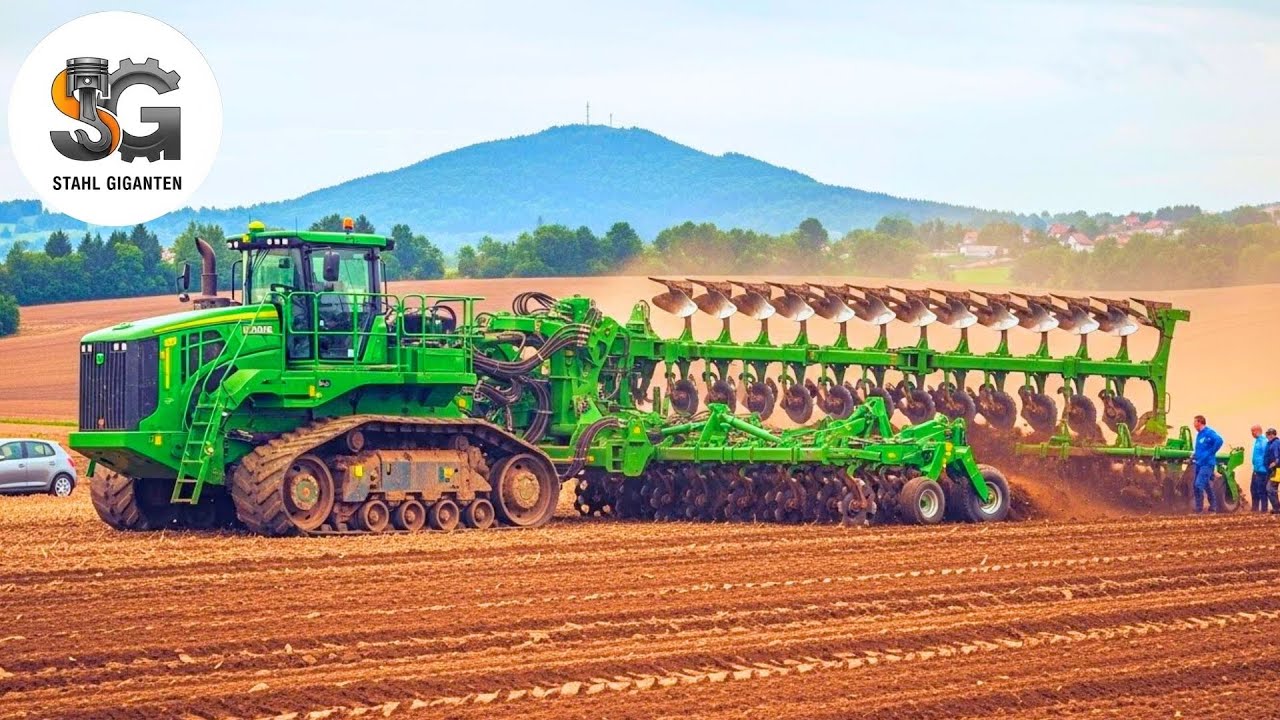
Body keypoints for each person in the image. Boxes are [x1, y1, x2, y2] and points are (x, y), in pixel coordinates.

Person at [1192, 415, 1223, 513]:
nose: (1193, 424)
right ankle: (1213, 506)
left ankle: (1199, 509)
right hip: (1199, 463)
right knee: (1205, 485)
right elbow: (1201, 448)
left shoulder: (1209, 432)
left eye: (1194, 422)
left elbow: (1219, 440)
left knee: (1198, 484)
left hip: (1207, 464)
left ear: (1200, 422)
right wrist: (1194, 455)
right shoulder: (1199, 434)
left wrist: (1211, 452)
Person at [1251, 424, 1268, 512]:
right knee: (1253, 489)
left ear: (1257, 431)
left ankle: (1264, 509)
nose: (1252, 433)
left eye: (1252, 431)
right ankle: (1255, 508)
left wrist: (1263, 467)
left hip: (1262, 470)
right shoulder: (1257, 441)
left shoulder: (1263, 441)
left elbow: (1266, 455)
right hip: (1256, 469)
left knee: (1261, 490)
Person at [1265, 428, 1280, 514]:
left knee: (1270, 489)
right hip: (1276, 469)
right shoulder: (1272, 443)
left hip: (1278, 470)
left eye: (1269, 434)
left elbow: (1277, 456)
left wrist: (1275, 462)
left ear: (1272, 435)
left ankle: (1277, 509)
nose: (1268, 436)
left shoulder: (1275, 443)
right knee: (1272, 488)